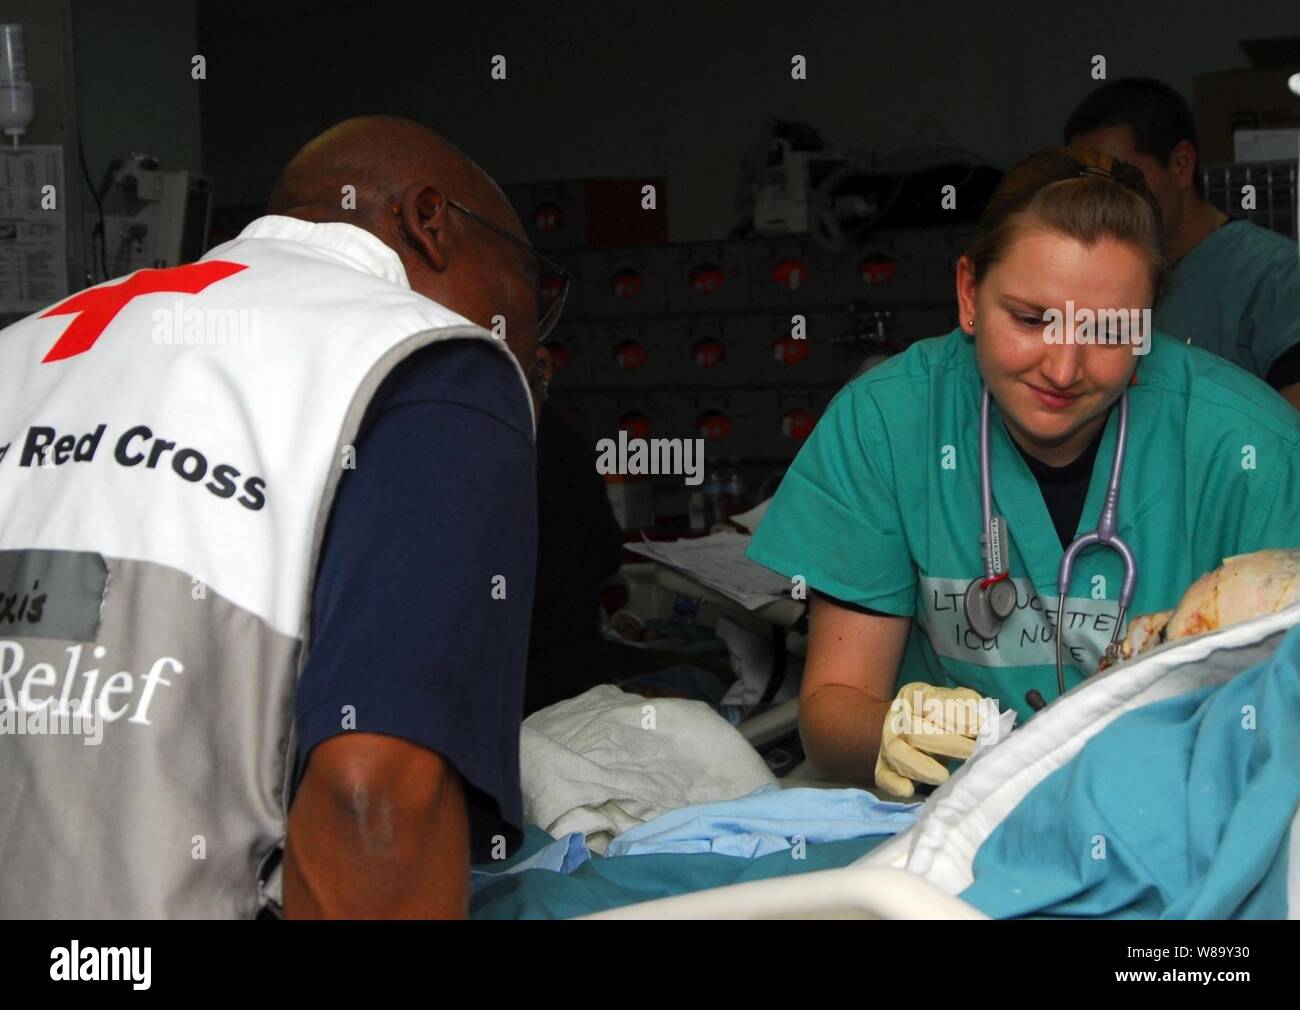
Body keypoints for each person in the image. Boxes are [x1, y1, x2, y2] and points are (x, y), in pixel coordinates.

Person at [0, 116, 558, 918]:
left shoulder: (27, 348)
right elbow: (372, 798)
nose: (530, 337)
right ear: (431, 221)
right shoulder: (432, 366)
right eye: (527, 286)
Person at [746, 145, 1300, 800]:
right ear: (969, 294)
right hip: (945, 823)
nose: (1063, 370)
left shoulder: (1248, 448)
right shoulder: (887, 425)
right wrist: (890, 729)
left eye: (1106, 330)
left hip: (1177, 818)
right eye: (1033, 320)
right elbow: (836, 707)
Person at [1065, 77, 1300, 409]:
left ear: (1180, 165)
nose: (1101, 203)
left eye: (1121, 180)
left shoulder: (1275, 276)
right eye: (1085, 186)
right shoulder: (1086, 281)